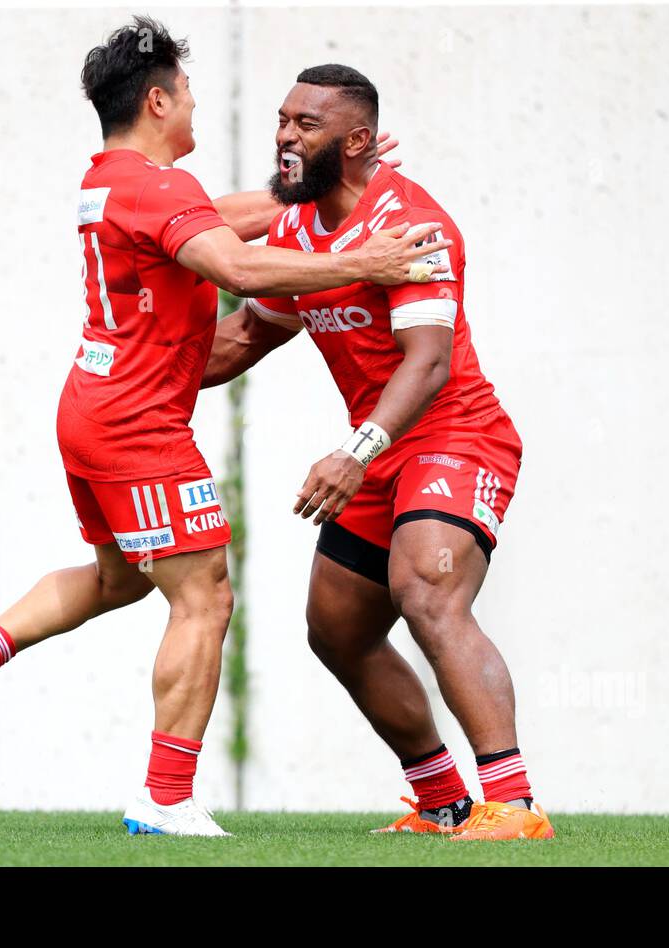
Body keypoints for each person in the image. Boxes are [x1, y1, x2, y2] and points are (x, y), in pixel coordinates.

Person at [0, 22, 450, 838]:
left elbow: (234, 215)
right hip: (138, 425)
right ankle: (164, 798)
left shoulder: (118, 179)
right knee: (205, 595)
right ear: (158, 99)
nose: (196, 104)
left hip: (94, 409)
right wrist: (364, 261)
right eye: (187, 92)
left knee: (121, 578)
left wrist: (343, 176)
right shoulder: (157, 189)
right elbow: (237, 266)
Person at [203, 64, 554, 841]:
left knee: (426, 589)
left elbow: (427, 363)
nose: (284, 136)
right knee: (337, 629)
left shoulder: (413, 224)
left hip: (454, 433)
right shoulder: (295, 227)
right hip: (379, 448)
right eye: (282, 120)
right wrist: (143, 377)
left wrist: (355, 451)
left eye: (306, 125)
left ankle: (515, 806)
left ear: (357, 139)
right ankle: (444, 803)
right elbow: (244, 337)